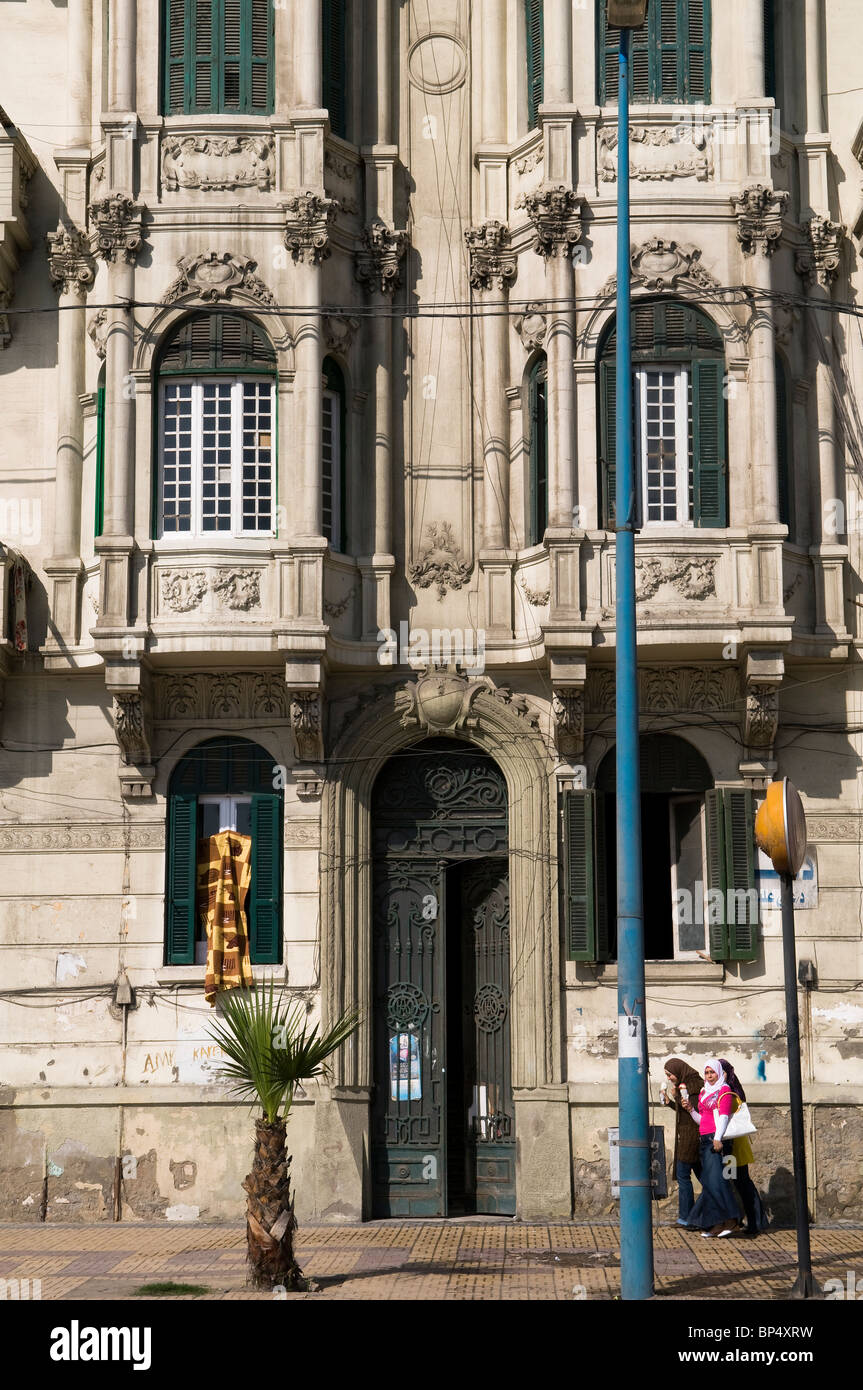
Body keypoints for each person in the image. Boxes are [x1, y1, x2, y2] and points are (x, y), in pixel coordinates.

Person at [681, 1058, 741, 1238]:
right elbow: (702, 1120)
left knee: (716, 1182)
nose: (709, 1076)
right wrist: (691, 1110)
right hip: (704, 1138)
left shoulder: (725, 1090)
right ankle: (716, 1223)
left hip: (715, 1140)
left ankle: (732, 1219)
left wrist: (717, 1138)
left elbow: (723, 1116)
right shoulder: (703, 1092)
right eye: (706, 1073)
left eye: (712, 1072)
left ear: (719, 1073)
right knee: (710, 1183)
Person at [718, 1057, 769, 1238]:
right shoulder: (727, 1088)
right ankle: (752, 1221)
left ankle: (755, 1222)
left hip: (734, 1147)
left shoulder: (729, 1091)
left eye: (721, 1072)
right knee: (739, 1184)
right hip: (732, 1145)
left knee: (741, 1184)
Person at [660, 1057, 703, 1226]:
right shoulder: (688, 1083)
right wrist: (671, 1102)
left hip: (690, 1137)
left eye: (670, 1074)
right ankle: (701, 1215)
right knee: (705, 1178)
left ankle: (687, 1218)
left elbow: (691, 1111)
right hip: (689, 1136)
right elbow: (684, 1110)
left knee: (683, 1176)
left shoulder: (692, 1085)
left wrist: (677, 1097)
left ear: (678, 1071)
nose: (669, 1078)